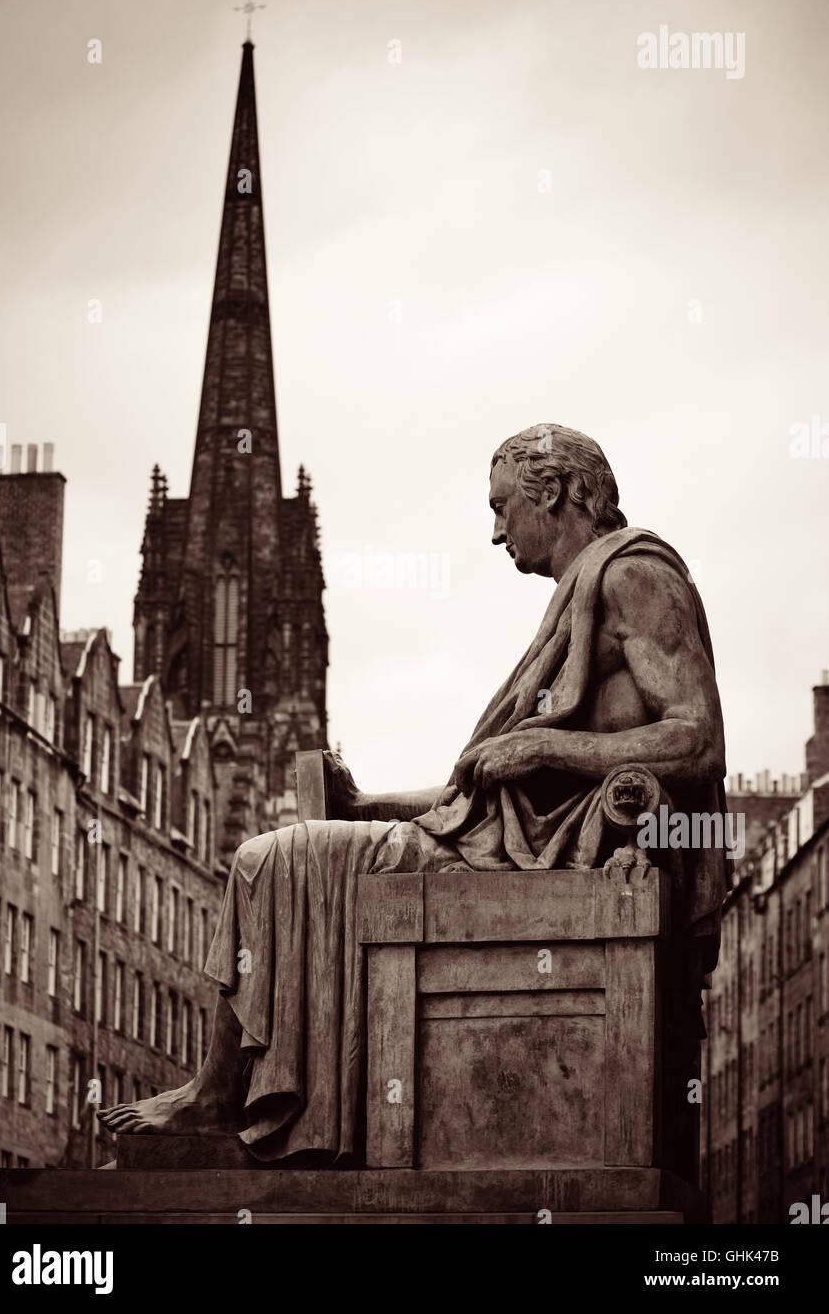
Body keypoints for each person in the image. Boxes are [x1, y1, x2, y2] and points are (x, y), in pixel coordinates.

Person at [99, 424, 728, 1171]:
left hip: (538, 862)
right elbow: (476, 794)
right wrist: (365, 805)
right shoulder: (580, 592)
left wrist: (542, 744)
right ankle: (240, 1094)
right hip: (506, 848)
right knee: (286, 856)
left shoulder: (632, 576)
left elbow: (696, 739)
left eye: (500, 508)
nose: (496, 533)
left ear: (552, 492)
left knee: (269, 860)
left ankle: (219, 1095)